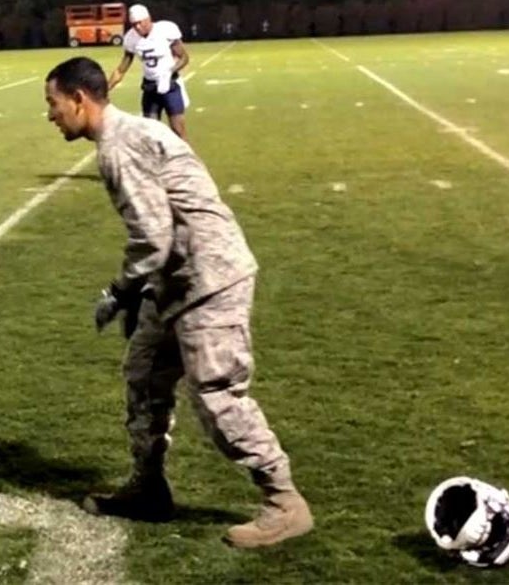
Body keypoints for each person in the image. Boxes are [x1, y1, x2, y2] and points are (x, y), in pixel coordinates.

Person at [43, 57, 313, 548]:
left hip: (209, 280)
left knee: (217, 394)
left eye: (53, 104)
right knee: (144, 377)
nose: (50, 115)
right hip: (176, 282)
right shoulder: (129, 133)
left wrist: (119, 291)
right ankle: (149, 489)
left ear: (79, 100)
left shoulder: (119, 147)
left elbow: (152, 237)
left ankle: (285, 502)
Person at [107, 4, 191, 140]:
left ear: (148, 19)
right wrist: (106, 88)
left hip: (169, 85)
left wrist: (169, 72)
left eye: (139, 23)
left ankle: (188, 161)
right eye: (134, 24)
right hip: (150, 87)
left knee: (178, 130)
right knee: (151, 133)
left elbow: (184, 58)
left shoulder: (165, 30)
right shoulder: (131, 38)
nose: (137, 27)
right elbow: (121, 69)